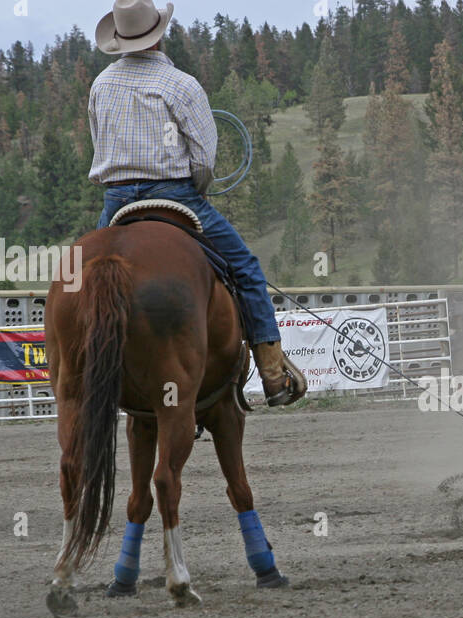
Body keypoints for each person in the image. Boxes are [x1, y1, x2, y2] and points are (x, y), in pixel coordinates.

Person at [87, 0, 304, 405]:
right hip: (175, 195)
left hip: (115, 201)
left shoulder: (101, 85)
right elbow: (203, 159)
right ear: (159, 34)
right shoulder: (181, 85)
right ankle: (273, 374)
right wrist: (199, 189)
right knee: (246, 269)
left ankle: (79, 370)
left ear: (119, 39)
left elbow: (100, 143)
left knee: (82, 278)